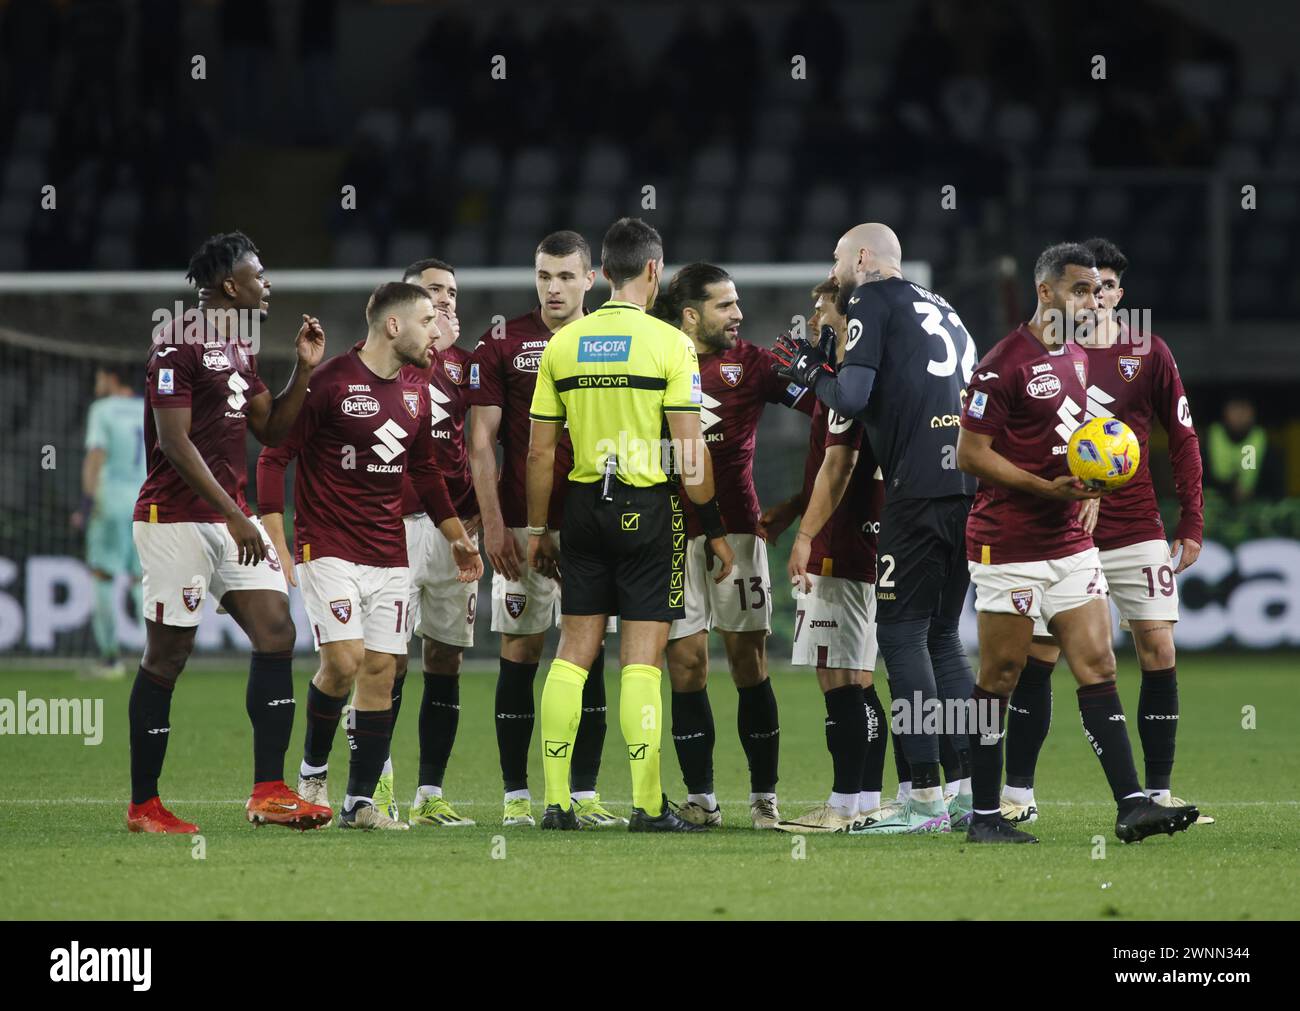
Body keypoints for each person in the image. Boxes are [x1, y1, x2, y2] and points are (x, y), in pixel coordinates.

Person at [955, 241, 1199, 844]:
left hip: (1068, 542)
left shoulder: (1078, 357)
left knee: (1097, 664)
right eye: (1080, 290)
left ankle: (1133, 803)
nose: (1093, 301)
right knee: (1002, 674)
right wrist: (1047, 487)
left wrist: (1089, 485)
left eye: (1098, 290)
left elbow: (1076, 439)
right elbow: (970, 454)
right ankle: (986, 814)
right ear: (1046, 292)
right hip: (1007, 544)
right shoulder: (1002, 363)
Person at [527, 217, 734, 832]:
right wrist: (715, 525)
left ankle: (557, 802)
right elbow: (690, 455)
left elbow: (540, 454)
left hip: (584, 507)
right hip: (646, 510)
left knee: (571, 654)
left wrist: (539, 531)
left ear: (603, 273)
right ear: (653, 271)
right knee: (641, 662)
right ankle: (647, 805)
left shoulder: (563, 345)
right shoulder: (670, 345)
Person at [261, 258, 481, 827]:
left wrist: (457, 537)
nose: (439, 330)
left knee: (382, 668)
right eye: (429, 320)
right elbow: (273, 455)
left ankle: (359, 802)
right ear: (393, 327)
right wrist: (276, 538)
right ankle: (312, 775)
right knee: (344, 660)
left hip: (390, 553)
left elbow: (428, 472)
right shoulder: (330, 381)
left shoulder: (417, 390)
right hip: (326, 544)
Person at [773, 222, 975, 833]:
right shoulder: (942, 305)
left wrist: (810, 370)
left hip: (913, 494)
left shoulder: (870, 297)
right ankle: (972, 791)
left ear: (863, 257)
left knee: (903, 637)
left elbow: (853, 395)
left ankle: (920, 803)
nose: (833, 272)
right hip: (968, 487)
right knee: (945, 639)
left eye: (837, 259)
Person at [129, 230, 330, 833]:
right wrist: (238, 515)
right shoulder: (175, 344)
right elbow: (173, 441)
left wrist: (303, 370)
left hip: (228, 520)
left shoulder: (239, 349)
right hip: (176, 519)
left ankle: (269, 791)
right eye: (258, 274)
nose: (267, 284)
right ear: (228, 285)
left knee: (276, 632)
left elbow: (269, 429)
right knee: (168, 655)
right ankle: (144, 805)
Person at [465, 231, 622, 828]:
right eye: (543, 276)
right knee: (521, 650)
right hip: (523, 534)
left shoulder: (612, 338)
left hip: (594, 526)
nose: (553, 288)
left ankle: (583, 794)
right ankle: (515, 798)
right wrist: (497, 526)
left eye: (565, 277)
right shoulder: (504, 342)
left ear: (592, 279)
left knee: (588, 652)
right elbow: (480, 443)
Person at [649, 262, 814, 830]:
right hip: (669, 532)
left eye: (737, 303)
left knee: (749, 661)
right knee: (686, 664)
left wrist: (799, 502)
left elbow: (831, 416)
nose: (738, 315)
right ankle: (702, 799)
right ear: (691, 314)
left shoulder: (752, 362)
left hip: (740, 533)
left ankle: (764, 798)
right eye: (725, 305)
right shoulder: (653, 355)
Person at [769, 278, 890, 833]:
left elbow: (838, 468)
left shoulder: (848, 383)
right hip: (860, 539)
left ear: (846, 315)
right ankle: (863, 801)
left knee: (841, 678)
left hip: (842, 544)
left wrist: (805, 537)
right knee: (854, 677)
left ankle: (844, 806)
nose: (812, 315)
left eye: (820, 306)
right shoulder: (851, 380)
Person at [74, 365, 145, 680]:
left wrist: (87, 504)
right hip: (145, 503)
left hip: (111, 502)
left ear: (113, 379)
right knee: (141, 580)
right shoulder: (149, 408)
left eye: (100, 377)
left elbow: (96, 456)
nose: (97, 383)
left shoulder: (101, 410)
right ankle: (153, 659)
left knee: (103, 575)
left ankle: (110, 658)